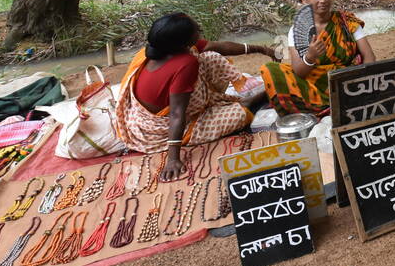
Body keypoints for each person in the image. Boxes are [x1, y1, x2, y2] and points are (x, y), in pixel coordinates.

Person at [113, 12, 275, 178]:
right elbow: (176, 114)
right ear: (183, 42)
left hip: (174, 107)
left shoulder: (168, 48)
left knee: (211, 57)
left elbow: (219, 47)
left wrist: (260, 49)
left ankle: (223, 102)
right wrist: (173, 158)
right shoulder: (185, 63)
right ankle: (253, 100)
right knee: (239, 114)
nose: (199, 29)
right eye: (196, 29)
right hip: (160, 127)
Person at [260, 0, 377, 116]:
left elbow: (369, 56)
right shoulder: (298, 30)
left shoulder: (347, 23)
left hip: (348, 83)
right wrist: (310, 57)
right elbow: (299, 72)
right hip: (313, 87)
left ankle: (346, 101)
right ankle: (320, 107)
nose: (322, 0)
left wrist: (362, 84)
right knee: (270, 70)